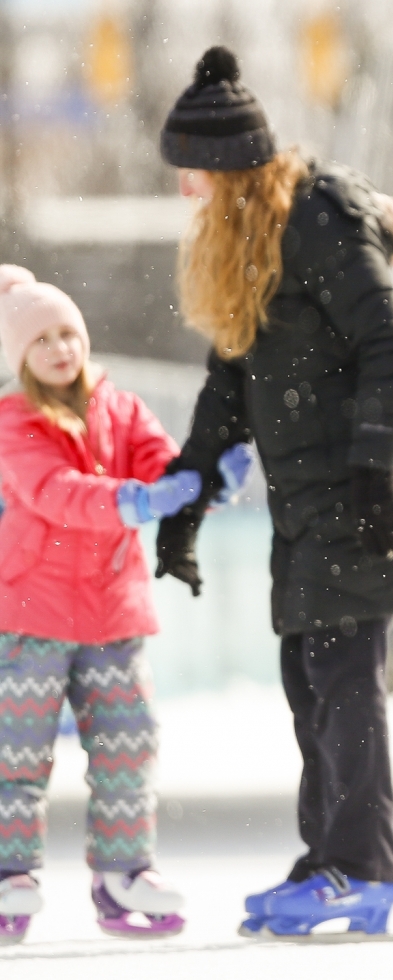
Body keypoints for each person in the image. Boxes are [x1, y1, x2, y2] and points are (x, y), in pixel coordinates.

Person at [155, 46, 393, 939]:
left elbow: (391, 346)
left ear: (230, 168)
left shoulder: (313, 220)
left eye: (193, 173)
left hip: (362, 489)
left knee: (341, 678)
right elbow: (230, 383)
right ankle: (332, 856)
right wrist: (189, 496)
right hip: (313, 496)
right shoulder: (245, 241)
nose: (184, 192)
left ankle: (359, 867)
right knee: (310, 678)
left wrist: (368, 474)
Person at [0, 269, 245, 942]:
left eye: (67, 333)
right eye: (41, 339)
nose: (59, 349)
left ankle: (124, 871)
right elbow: (55, 492)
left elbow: (163, 469)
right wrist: (131, 502)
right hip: (30, 615)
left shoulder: (121, 408)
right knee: (17, 755)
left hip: (113, 613)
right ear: (19, 355)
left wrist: (206, 482)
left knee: (128, 749)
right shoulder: (11, 420)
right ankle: (8, 873)